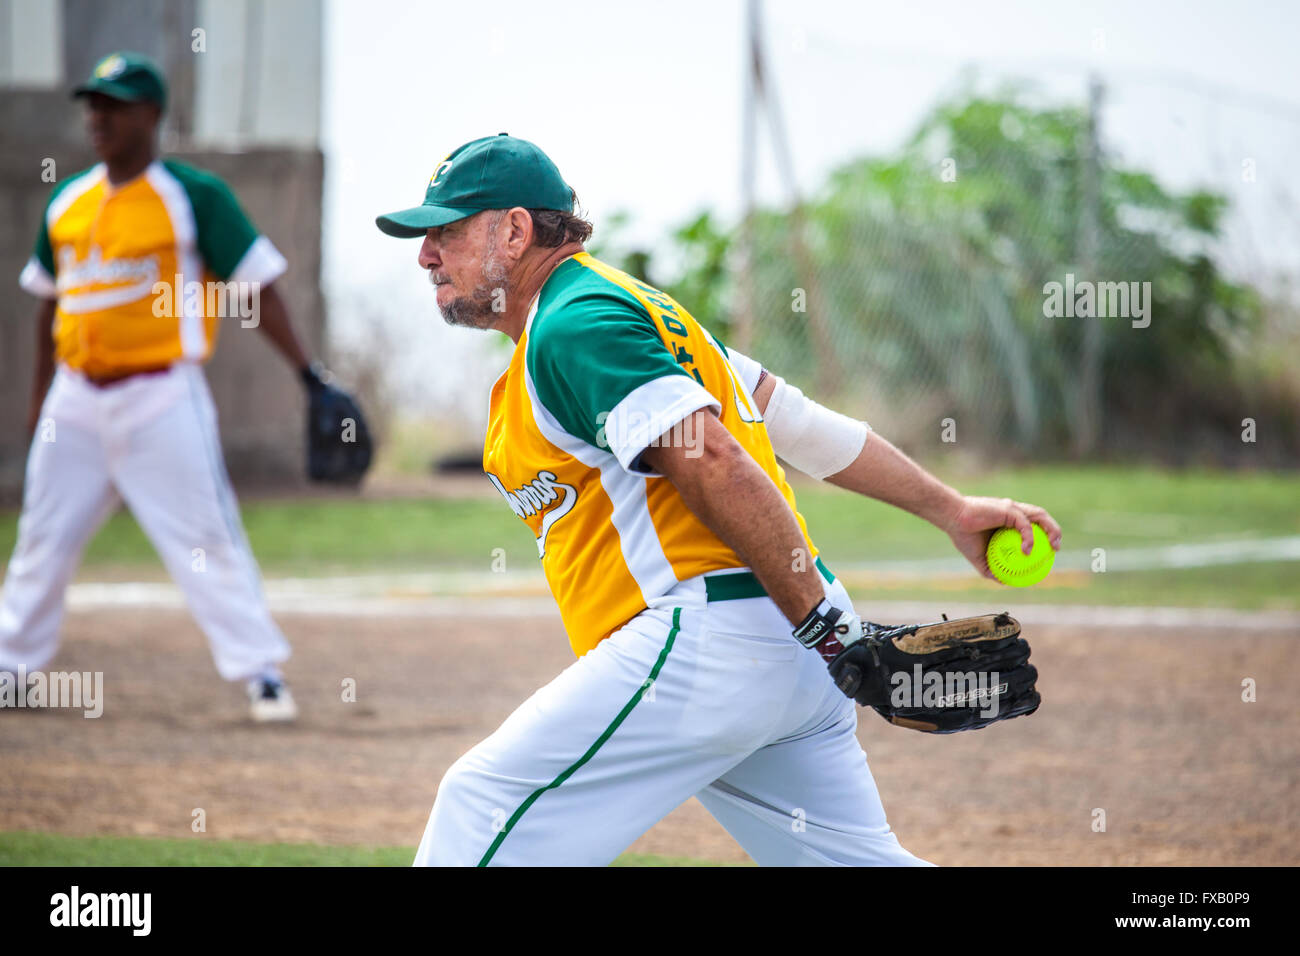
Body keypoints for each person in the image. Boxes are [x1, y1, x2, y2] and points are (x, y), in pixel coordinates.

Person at [376, 133, 1064, 865]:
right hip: (785, 657)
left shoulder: (576, 326)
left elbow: (717, 463)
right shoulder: (634, 311)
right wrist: (948, 510)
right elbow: (796, 421)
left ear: (514, 230)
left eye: (446, 231)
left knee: (480, 804)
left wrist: (836, 635)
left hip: (712, 645)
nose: (426, 255)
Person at [0, 51, 320, 722]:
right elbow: (48, 309)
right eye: (93, 105)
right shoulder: (68, 201)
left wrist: (308, 375)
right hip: (76, 395)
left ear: (150, 115)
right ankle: (11, 667)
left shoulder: (192, 195)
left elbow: (254, 288)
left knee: (206, 537)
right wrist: (37, 403)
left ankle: (260, 672)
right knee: (41, 536)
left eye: (113, 106)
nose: (98, 118)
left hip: (162, 396)